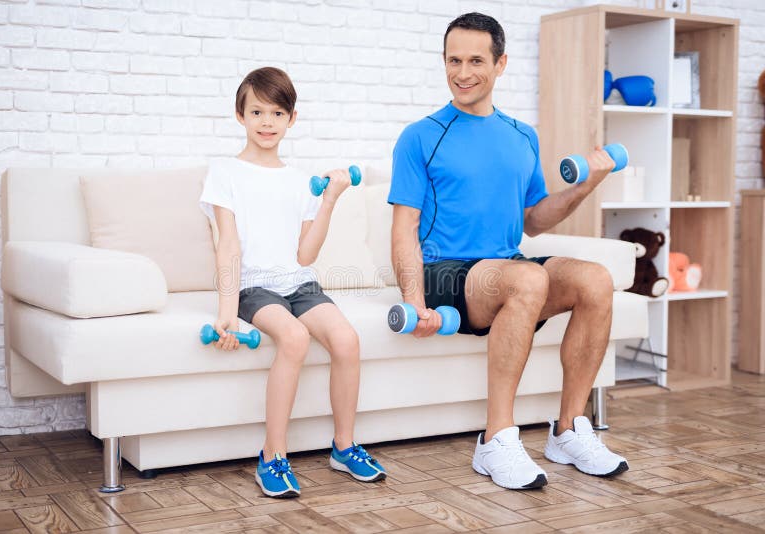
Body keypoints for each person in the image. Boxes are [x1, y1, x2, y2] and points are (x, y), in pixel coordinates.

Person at [389, 13, 628, 491]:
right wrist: (414, 302)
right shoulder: (421, 135)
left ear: (501, 64)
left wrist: (587, 185)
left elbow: (534, 220)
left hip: (509, 269)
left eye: (476, 60)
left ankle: (568, 430)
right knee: (528, 278)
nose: (463, 72)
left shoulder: (522, 136)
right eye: (453, 60)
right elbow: (404, 229)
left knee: (595, 279)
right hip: (445, 272)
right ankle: (496, 439)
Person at [199, 67, 386, 498]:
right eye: (257, 111)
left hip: (298, 282)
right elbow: (227, 245)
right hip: (254, 286)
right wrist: (227, 314)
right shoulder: (225, 171)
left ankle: (344, 446)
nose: (267, 122)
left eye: (277, 113)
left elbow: (305, 256)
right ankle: (273, 454)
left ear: (292, 119)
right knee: (295, 338)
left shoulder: (303, 180)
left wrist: (331, 199)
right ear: (240, 115)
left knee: (347, 340)